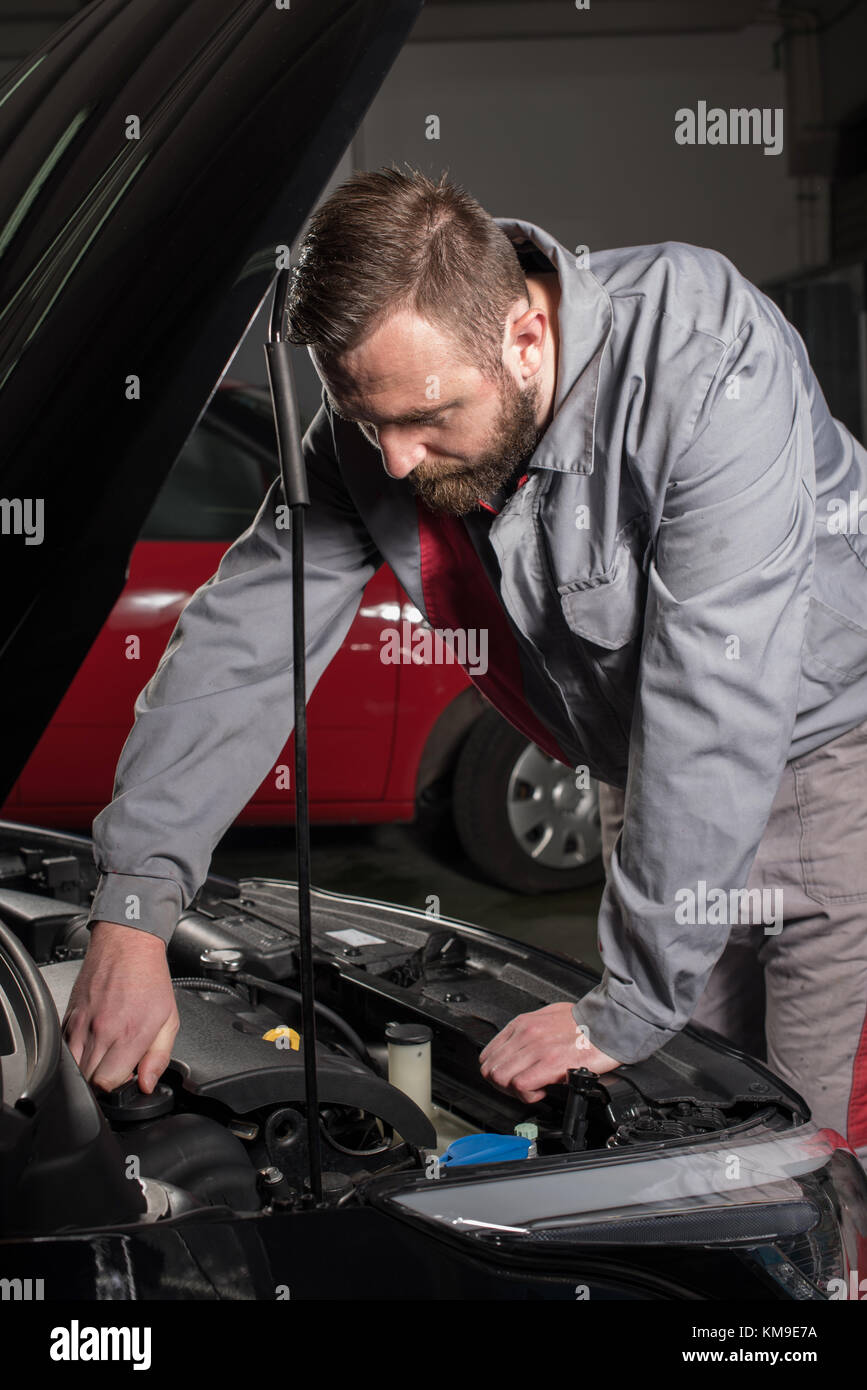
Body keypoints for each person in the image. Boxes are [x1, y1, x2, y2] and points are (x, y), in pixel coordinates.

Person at [63, 166, 867, 1162]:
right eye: (369, 422)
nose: (394, 462)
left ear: (527, 339)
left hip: (827, 768)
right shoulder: (385, 429)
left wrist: (623, 1006)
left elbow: (717, 697)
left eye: (426, 418)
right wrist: (135, 913)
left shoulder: (704, 361)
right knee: (683, 1137)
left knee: (801, 1141)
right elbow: (247, 635)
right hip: (647, 771)